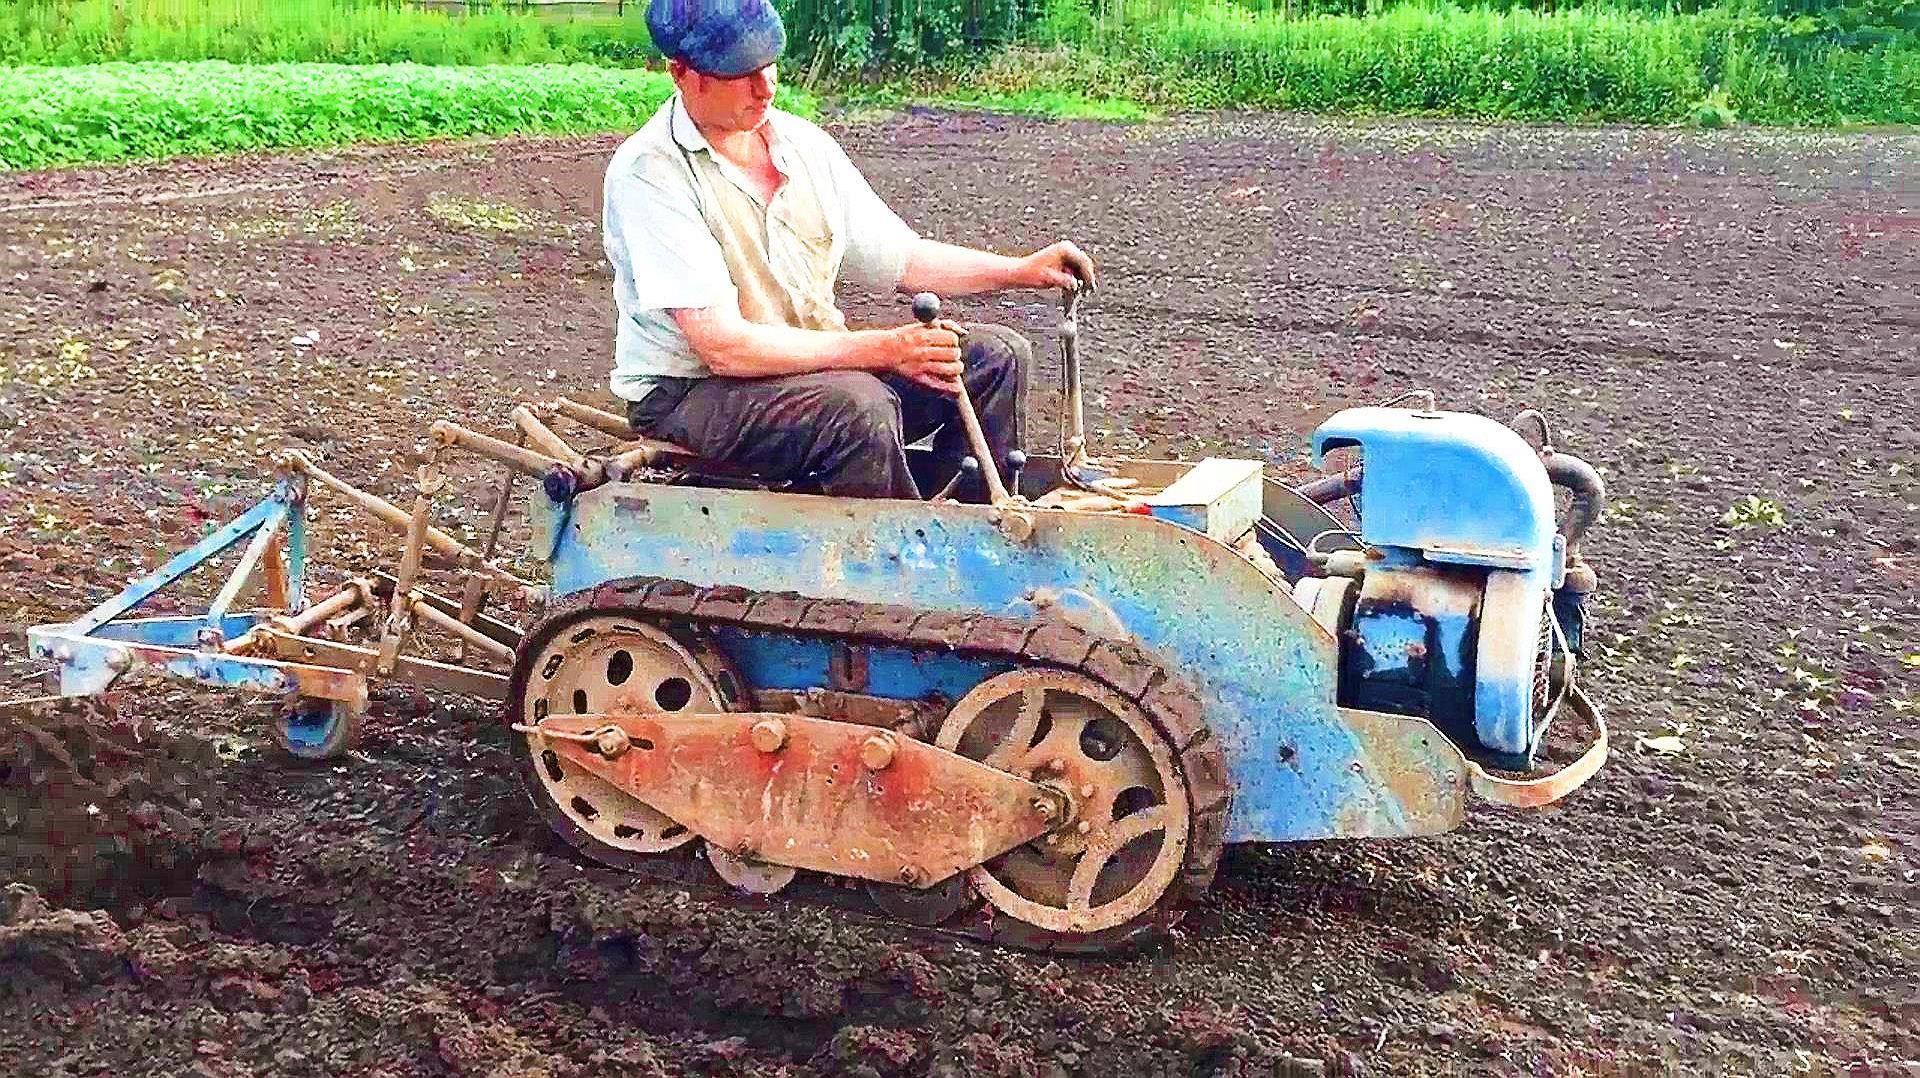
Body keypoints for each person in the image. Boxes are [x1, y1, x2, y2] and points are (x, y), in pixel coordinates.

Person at [602, 0, 1096, 500]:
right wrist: (886, 348)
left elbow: (904, 258)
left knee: (996, 357)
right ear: (684, 74)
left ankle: (983, 527)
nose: (765, 86)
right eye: (741, 72)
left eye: (769, 63)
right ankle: (902, 562)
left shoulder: (802, 146)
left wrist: (1023, 269)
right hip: (693, 391)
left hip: (806, 370)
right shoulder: (650, 172)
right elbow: (722, 347)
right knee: (859, 407)